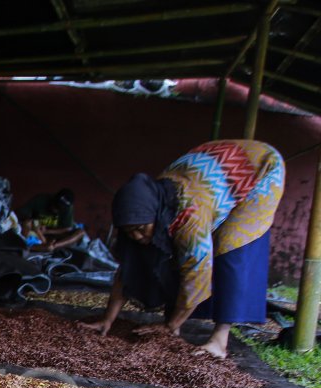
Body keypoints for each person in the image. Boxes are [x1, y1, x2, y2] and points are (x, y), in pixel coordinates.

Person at [84, 140, 285, 358]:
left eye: (141, 229)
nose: (137, 236)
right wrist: (108, 319)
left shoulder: (190, 218)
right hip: (209, 165)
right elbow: (128, 269)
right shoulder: (151, 203)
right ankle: (175, 322)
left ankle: (219, 341)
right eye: (130, 231)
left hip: (260, 168)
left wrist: (168, 327)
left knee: (229, 248)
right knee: (170, 253)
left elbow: (197, 276)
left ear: (156, 218)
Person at [17, 188, 86, 252]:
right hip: (36, 231)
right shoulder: (41, 199)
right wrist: (37, 226)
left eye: (59, 209)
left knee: (81, 232)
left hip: (53, 235)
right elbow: (23, 214)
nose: (55, 210)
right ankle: (28, 246)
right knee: (27, 223)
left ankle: (52, 247)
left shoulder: (68, 208)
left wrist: (47, 231)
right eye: (55, 206)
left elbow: (68, 228)